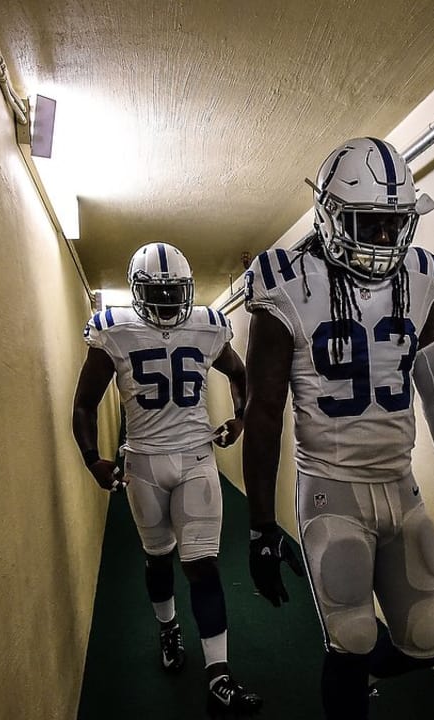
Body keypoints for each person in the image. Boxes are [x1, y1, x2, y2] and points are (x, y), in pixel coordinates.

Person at [242, 137, 434, 719]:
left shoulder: (422, 276)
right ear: (329, 215)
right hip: (330, 488)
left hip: (400, 486)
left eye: (395, 223)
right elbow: (262, 409)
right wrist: (257, 524)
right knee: (348, 641)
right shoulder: (284, 280)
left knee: (427, 642)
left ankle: (363, 675)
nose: (384, 239)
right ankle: (352, 682)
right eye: (368, 222)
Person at [72, 242, 261, 716]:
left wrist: (242, 417)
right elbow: (84, 403)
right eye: (157, 293)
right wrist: (92, 457)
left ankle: (218, 672)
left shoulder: (207, 325)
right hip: (143, 466)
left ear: (189, 290)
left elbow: (240, 373)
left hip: (196, 458)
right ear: (136, 292)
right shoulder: (113, 330)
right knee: (158, 560)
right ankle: (168, 627)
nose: (167, 303)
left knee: (203, 566)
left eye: (175, 292)